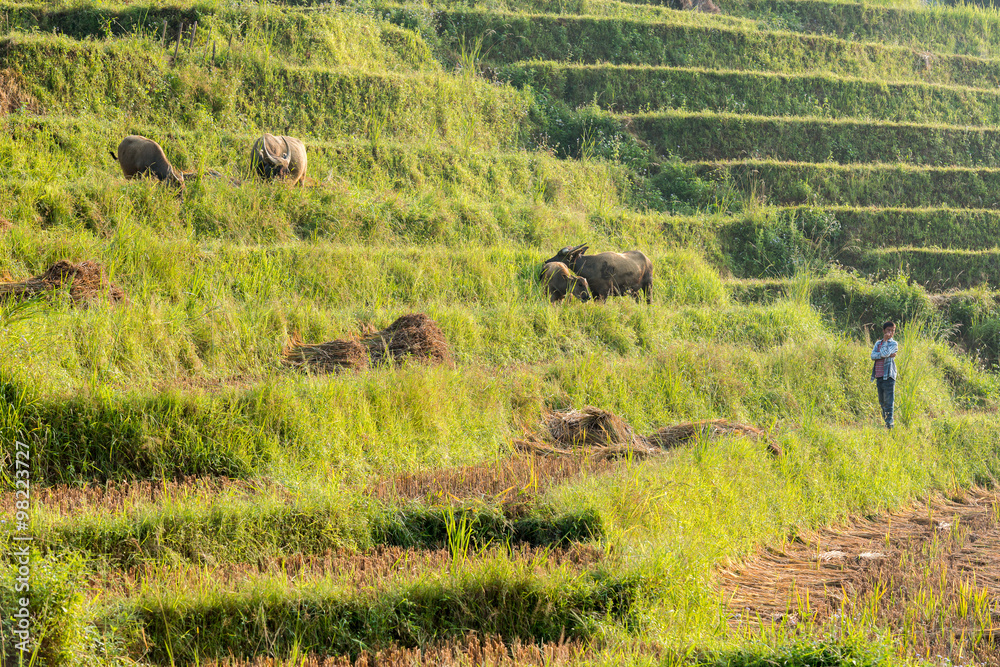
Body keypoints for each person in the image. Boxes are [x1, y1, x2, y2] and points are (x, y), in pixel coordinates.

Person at [870, 321, 898, 430]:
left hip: (889, 377)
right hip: (879, 376)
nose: (890, 333)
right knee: (882, 402)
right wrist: (885, 355)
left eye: (892, 331)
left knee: (889, 402)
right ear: (883, 330)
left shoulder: (893, 344)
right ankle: (885, 423)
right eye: (888, 330)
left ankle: (889, 427)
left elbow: (885, 354)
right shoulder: (878, 343)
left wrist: (886, 343)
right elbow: (873, 356)